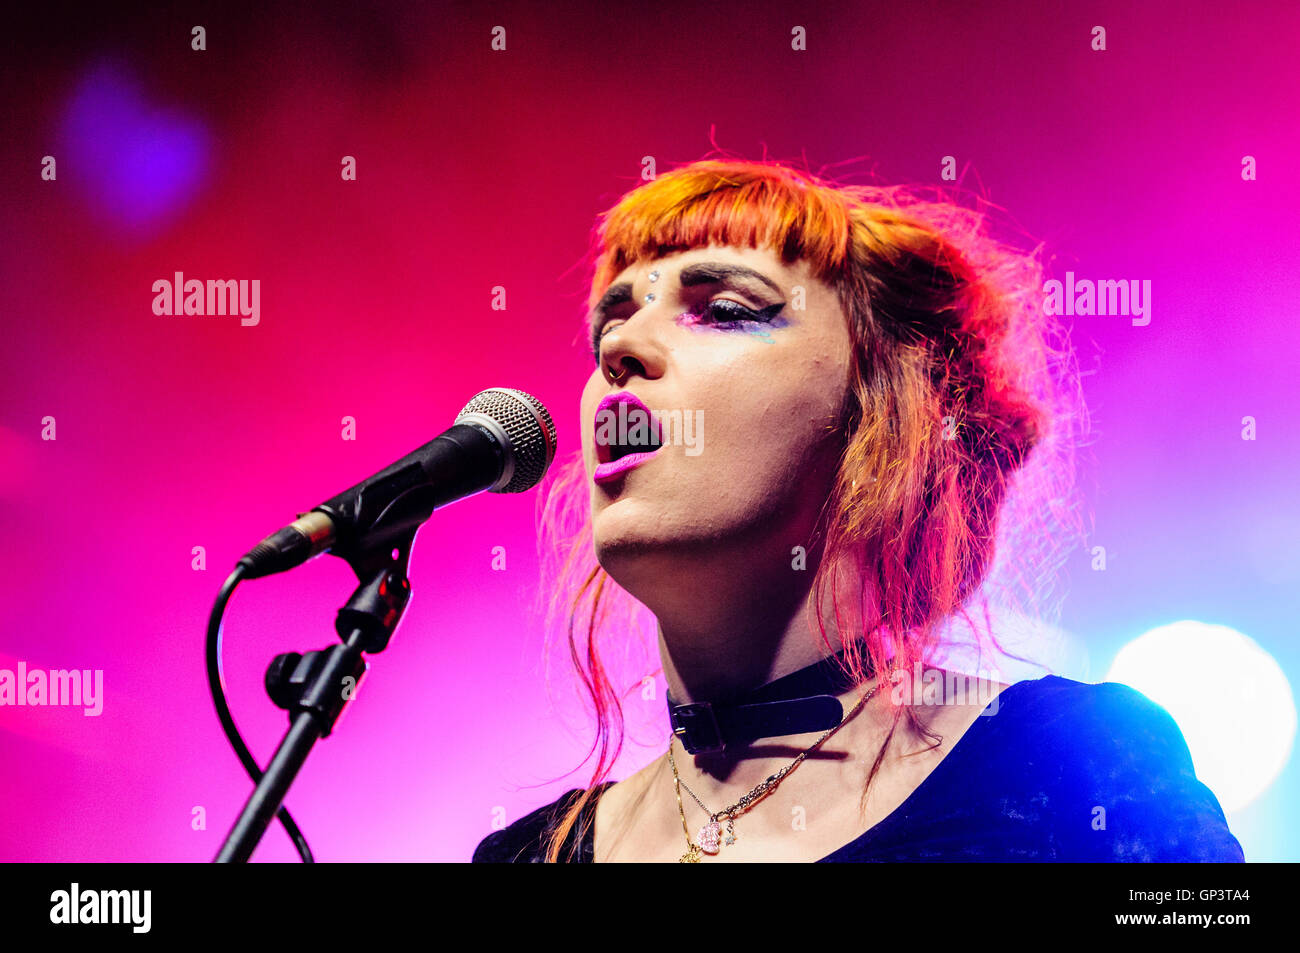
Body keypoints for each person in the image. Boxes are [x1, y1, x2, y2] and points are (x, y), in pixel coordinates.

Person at [472, 158, 1244, 863]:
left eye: (723, 309)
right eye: (611, 321)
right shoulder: (524, 856)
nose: (622, 347)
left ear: (888, 408)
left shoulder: (1076, 770)